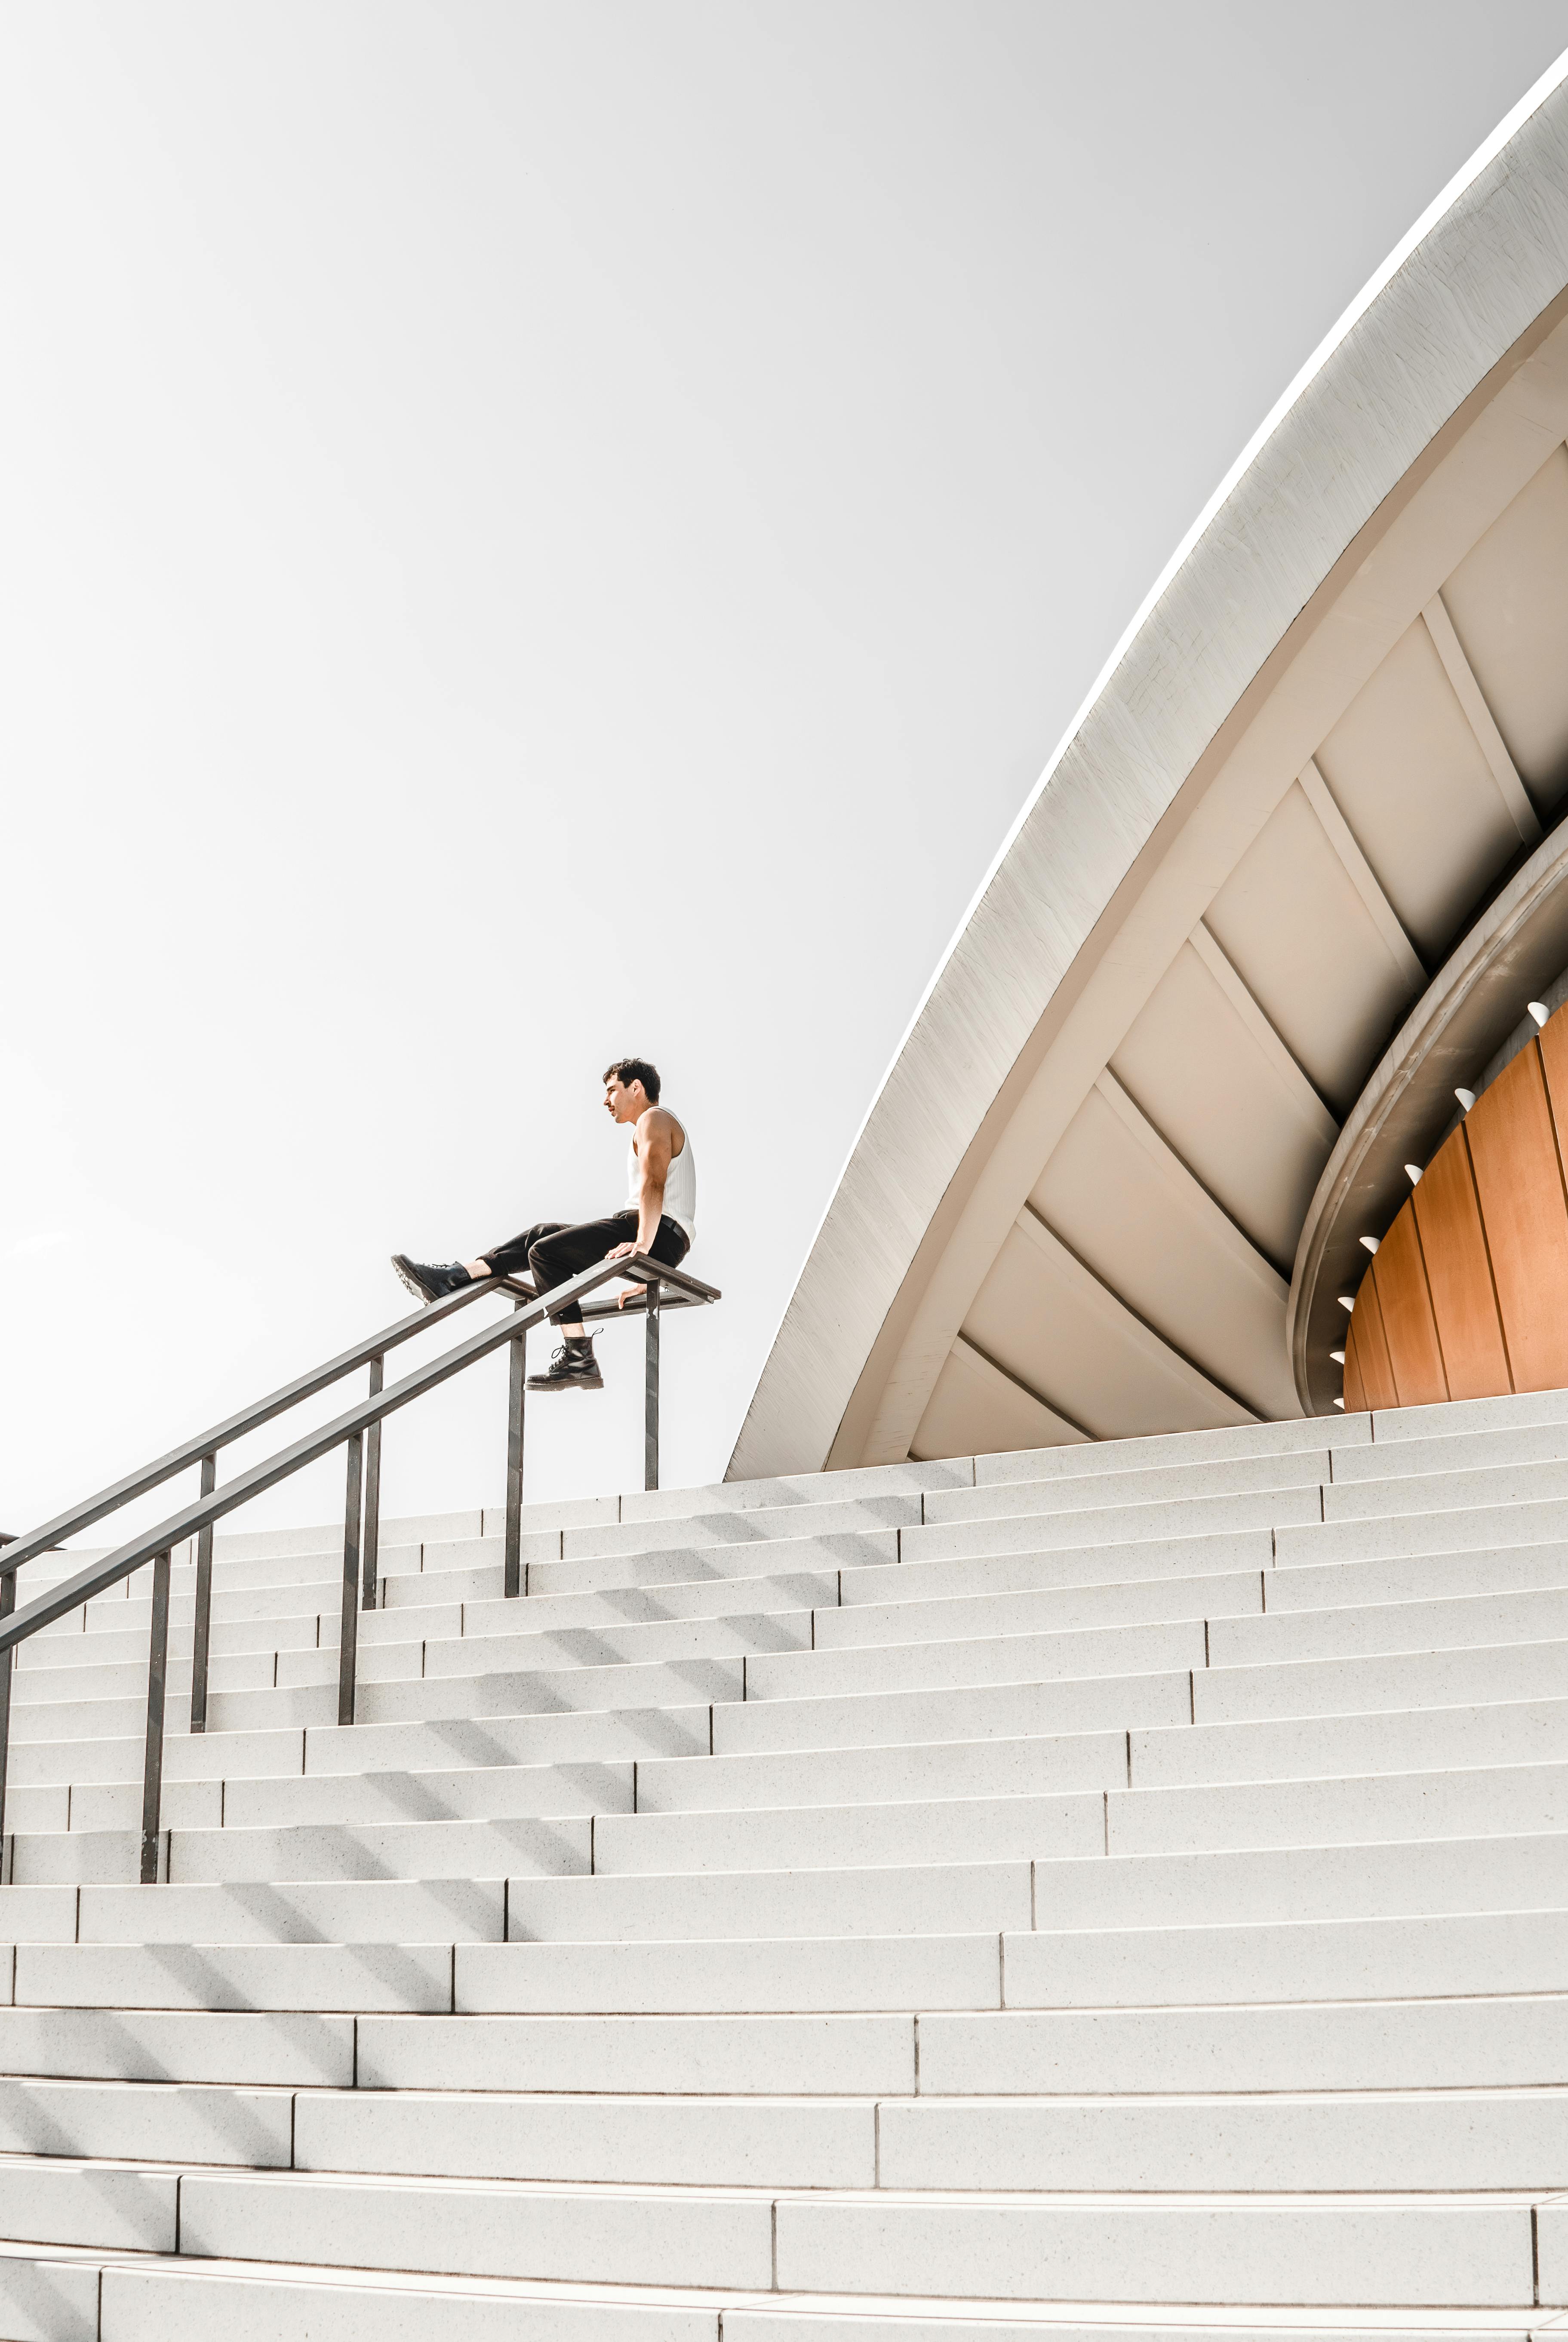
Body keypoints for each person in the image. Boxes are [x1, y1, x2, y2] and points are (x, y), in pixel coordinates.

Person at [391, 1057, 696, 1392]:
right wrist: (647, 1272)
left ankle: (579, 1357)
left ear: (636, 1088)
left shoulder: (653, 1118)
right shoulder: (653, 1124)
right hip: (654, 1232)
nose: (606, 1101)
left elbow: (654, 1182)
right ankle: (454, 1276)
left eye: (612, 1091)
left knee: (545, 1253)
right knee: (541, 1234)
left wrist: (643, 1246)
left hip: (655, 1230)